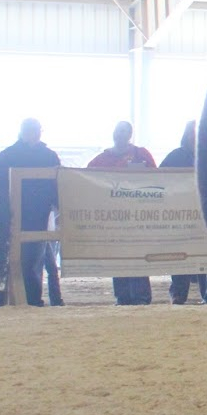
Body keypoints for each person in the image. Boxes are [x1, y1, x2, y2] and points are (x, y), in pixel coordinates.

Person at [0, 118, 63, 307]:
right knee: (26, 258)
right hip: (14, 214)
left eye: (34, 129)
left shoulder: (46, 156)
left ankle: (32, 300)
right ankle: (28, 299)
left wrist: (59, 208)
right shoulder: (10, 155)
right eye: (29, 129)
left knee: (33, 259)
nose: (32, 133)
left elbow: (58, 185)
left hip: (39, 214)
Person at [89, 120, 156, 306]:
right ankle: (122, 297)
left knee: (139, 254)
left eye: (123, 132)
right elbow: (85, 177)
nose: (119, 135)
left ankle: (141, 297)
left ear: (129, 135)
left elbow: (157, 179)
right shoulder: (102, 159)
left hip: (138, 215)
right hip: (113, 216)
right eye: (117, 131)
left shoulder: (141, 154)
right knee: (117, 255)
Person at [160, 120, 207, 305]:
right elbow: (157, 179)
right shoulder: (175, 157)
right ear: (188, 135)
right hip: (181, 217)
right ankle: (179, 295)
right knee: (181, 255)